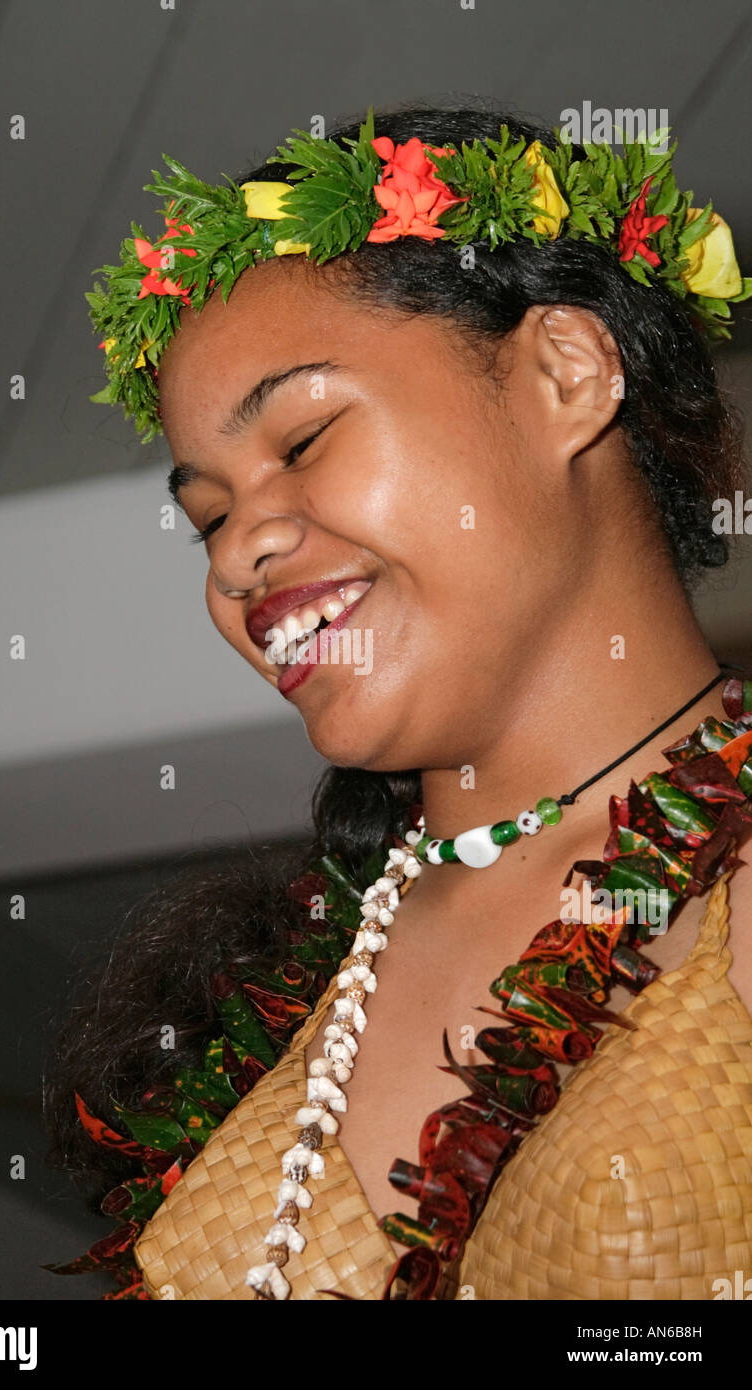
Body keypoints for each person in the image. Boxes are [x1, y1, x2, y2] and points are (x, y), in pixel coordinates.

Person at [45, 101, 752, 1301]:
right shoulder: (288, 992)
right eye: (207, 515)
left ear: (565, 373)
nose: (233, 558)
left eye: (306, 436)